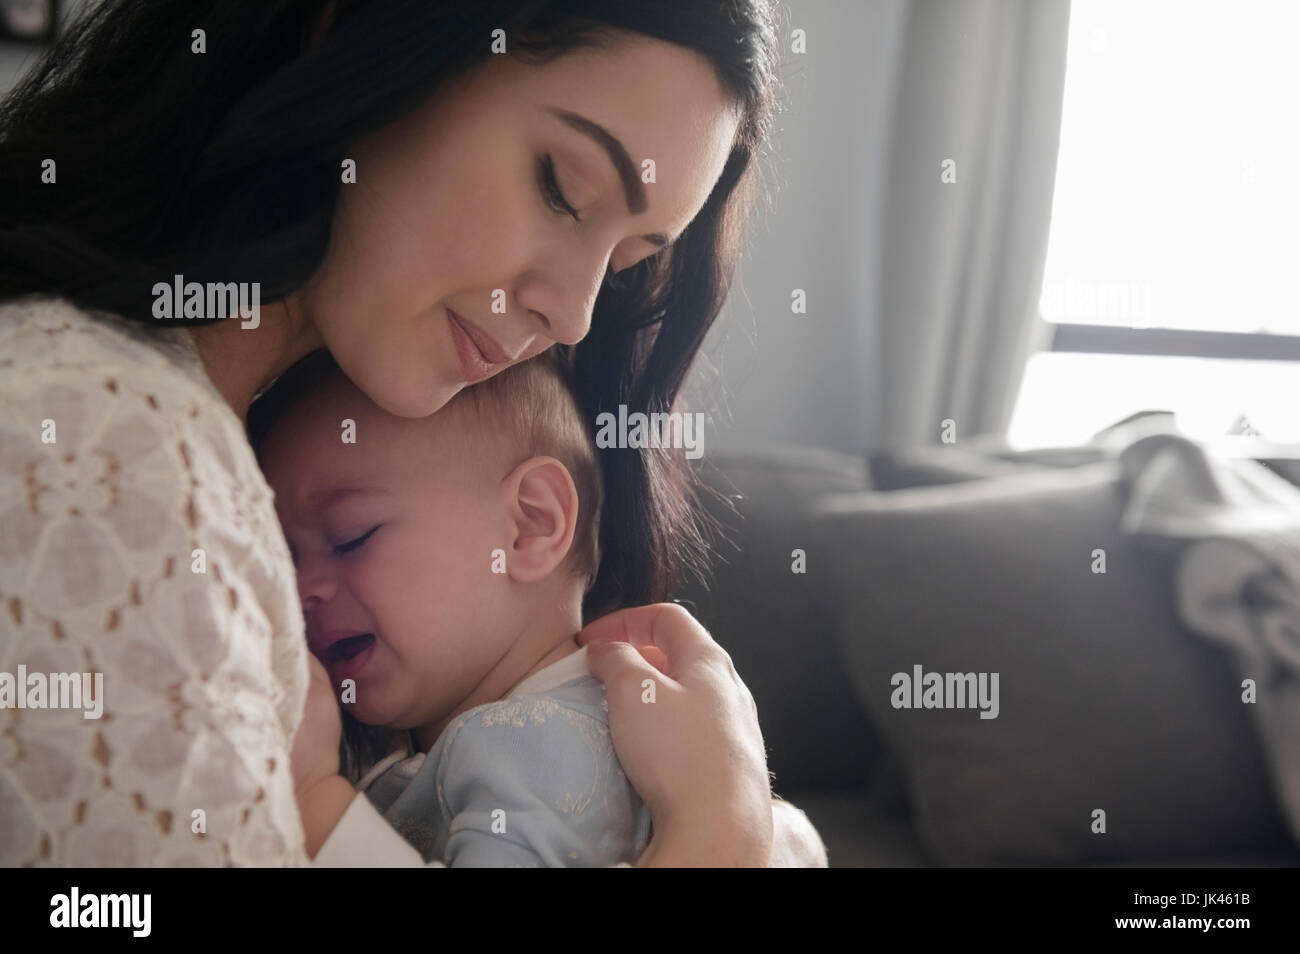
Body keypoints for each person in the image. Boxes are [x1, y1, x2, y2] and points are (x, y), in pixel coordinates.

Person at [0, 0, 827, 866]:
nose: (575, 314)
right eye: (561, 186)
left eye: (628, 265)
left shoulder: (248, 449)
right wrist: (720, 835)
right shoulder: (102, 453)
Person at [255, 347, 651, 865]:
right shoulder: (491, 732)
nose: (300, 588)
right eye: (285, 558)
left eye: (351, 536)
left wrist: (316, 804)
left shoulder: (548, 741)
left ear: (529, 525)